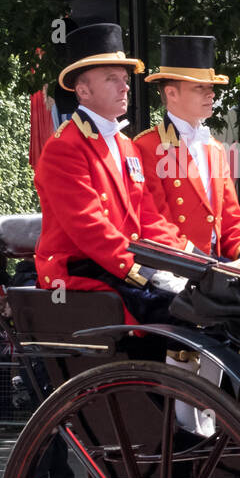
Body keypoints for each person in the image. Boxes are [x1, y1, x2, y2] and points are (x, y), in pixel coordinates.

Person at [33, 23, 186, 322]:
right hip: (82, 270)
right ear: (83, 90)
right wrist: (148, 273)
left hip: (118, 264)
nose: (125, 86)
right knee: (187, 314)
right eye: (111, 79)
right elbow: (90, 228)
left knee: (210, 302)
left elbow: (148, 217)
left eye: (125, 79)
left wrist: (190, 258)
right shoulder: (63, 147)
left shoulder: (126, 145)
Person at [133, 34, 240, 261]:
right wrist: (199, 261)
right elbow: (155, 221)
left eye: (210, 87)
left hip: (217, 264)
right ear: (171, 93)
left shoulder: (216, 149)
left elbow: (232, 220)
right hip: (177, 264)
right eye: (199, 87)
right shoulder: (147, 147)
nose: (210, 93)